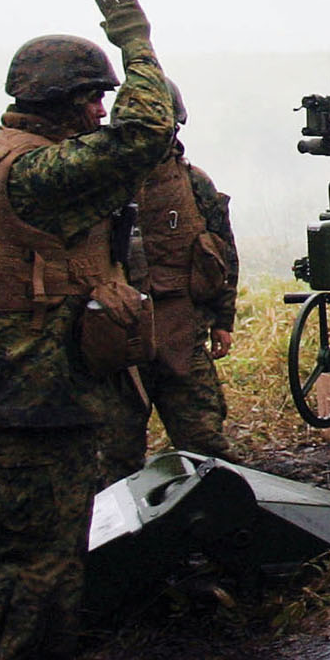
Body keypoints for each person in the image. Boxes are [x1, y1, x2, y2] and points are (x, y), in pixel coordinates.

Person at [0, 0, 174, 660]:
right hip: (29, 386)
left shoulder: (17, 154)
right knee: (24, 549)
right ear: (58, 101)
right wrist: (136, 41)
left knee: (49, 542)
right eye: (90, 99)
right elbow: (145, 133)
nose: (99, 112)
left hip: (39, 380)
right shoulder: (38, 170)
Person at [98, 79, 240, 482]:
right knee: (115, 456)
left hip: (182, 327)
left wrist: (223, 321)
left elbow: (223, 253)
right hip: (118, 336)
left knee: (205, 446)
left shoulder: (195, 184)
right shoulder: (100, 186)